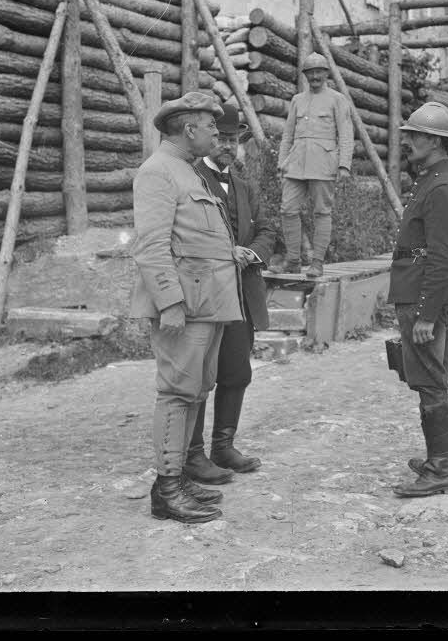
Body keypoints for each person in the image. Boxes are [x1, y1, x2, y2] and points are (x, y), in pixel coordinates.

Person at [130, 92, 244, 525]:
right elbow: (151, 246)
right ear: (186, 128)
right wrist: (170, 303)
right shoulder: (158, 172)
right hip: (186, 306)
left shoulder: (189, 173)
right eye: (209, 124)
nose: (217, 131)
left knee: (196, 390)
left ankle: (178, 477)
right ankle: (167, 488)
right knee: (177, 393)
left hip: (208, 304)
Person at [185, 103, 278, 484]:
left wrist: (252, 253)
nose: (227, 145)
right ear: (208, 139)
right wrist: (227, 253)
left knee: (236, 372)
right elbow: (188, 233)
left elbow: (269, 229)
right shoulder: (190, 180)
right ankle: (193, 454)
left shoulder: (243, 186)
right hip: (206, 294)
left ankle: (224, 446)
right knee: (201, 374)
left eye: (233, 140)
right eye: (220, 138)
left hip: (241, 293)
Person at [386, 102, 448, 498]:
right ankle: (440, 461)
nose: (408, 141)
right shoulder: (434, 180)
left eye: (415, 135)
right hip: (420, 291)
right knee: (429, 376)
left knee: (430, 378)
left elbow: (441, 257)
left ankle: (441, 469)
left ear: (435, 142)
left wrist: (425, 315)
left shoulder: (439, 187)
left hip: (424, 295)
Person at [272, 52, 354, 278]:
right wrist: (282, 163)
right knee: (287, 209)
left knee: (322, 212)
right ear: (305, 75)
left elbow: (346, 134)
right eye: (311, 72)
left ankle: (317, 263)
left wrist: (344, 165)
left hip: (324, 163)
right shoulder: (298, 100)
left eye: (319, 72)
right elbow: (287, 135)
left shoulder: (337, 99)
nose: (315, 76)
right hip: (296, 163)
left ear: (326, 74)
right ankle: (293, 260)